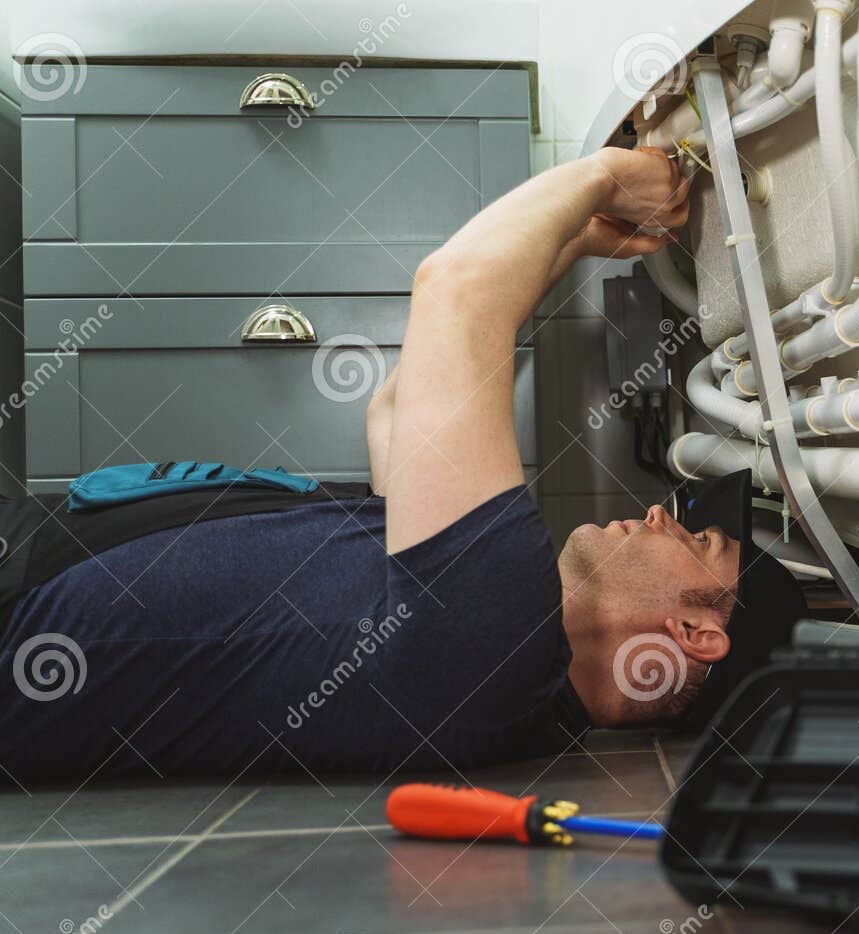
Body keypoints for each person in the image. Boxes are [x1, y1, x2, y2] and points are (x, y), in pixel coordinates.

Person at [0, 147, 805, 785]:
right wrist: (571, 242)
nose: (663, 513)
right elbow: (395, 407)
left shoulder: (499, 644)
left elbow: (455, 289)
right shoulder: (485, 653)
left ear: (697, 634)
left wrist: (602, 178)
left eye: (700, 541)